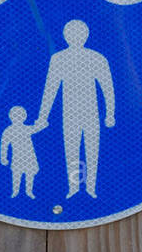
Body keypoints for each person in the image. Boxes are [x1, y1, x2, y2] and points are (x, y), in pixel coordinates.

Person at [35, 19, 115, 199]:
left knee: (92, 149)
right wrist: (43, 117)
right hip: (69, 113)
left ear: (86, 35)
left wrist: (110, 113)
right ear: (65, 36)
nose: (75, 37)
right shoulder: (59, 59)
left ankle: (91, 187)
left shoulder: (96, 58)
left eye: (79, 34)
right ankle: (73, 187)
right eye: (71, 34)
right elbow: (50, 89)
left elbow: (107, 88)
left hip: (91, 113)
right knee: (71, 149)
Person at [0, 106, 40, 198]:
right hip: (17, 157)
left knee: (30, 173)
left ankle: (29, 192)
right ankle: (15, 192)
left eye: (21, 116)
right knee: (16, 174)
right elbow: (4, 145)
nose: (18, 118)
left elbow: (36, 128)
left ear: (24, 117)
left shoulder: (26, 128)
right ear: (11, 117)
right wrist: (3, 158)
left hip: (29, 156)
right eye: (15, 116)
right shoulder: (8, 131)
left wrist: (42, 124)